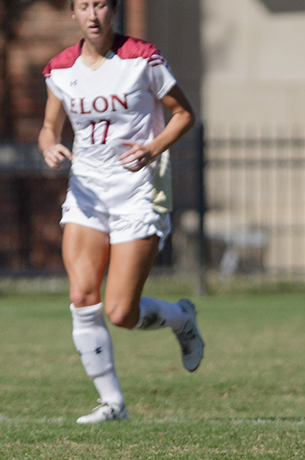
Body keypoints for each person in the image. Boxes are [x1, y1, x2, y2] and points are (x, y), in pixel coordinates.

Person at [38, 0, 203, 423]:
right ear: (73, 13)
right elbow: (49, 127)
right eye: (83, 6)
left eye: (100, 5)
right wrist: (49, 146)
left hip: (138, 192)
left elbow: (184, 114)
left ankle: (180, 318)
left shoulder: (142, 58)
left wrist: (153, 147)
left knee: (120, 313)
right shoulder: (60, 69)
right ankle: (112, 404)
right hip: (87, 194)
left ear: (113, 10)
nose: (92, 15)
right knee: (81, 296)